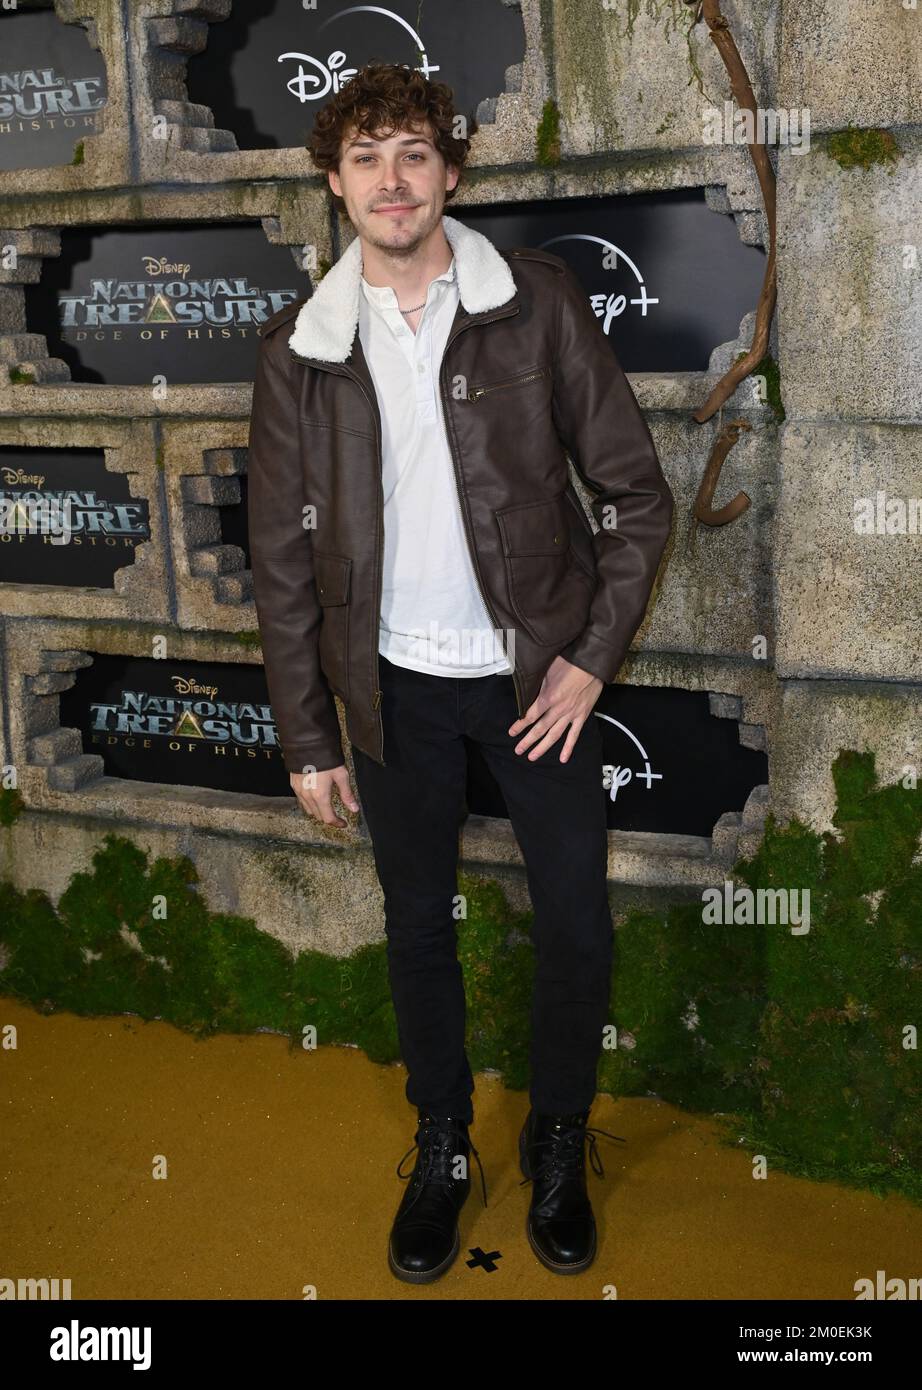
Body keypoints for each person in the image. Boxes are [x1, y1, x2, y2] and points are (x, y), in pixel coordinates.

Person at [247, 61, 674, 1283]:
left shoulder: (534, 303)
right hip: (388, 689)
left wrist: (589, 664)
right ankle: (441, 1143)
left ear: (450, 170)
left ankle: (554, 1139)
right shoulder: (300, 346)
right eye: (367, 158)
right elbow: (280, 553)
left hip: (535, 678)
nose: (394, 179)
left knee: (578, 926)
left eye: (414, 153)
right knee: (415, 925)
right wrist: (308, 735)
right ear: (334, 184)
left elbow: (637, 500)